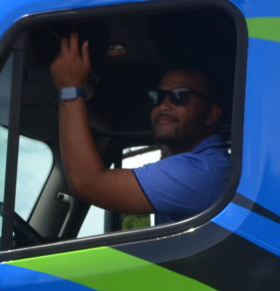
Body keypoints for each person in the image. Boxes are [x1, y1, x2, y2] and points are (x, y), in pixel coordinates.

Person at [50, 33, 231, 225]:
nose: (163, 106)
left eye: (180, 96)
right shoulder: (206, 166)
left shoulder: (202, 172)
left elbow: (88, 183)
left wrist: (69, 89)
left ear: (211, 114)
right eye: (158, 96)